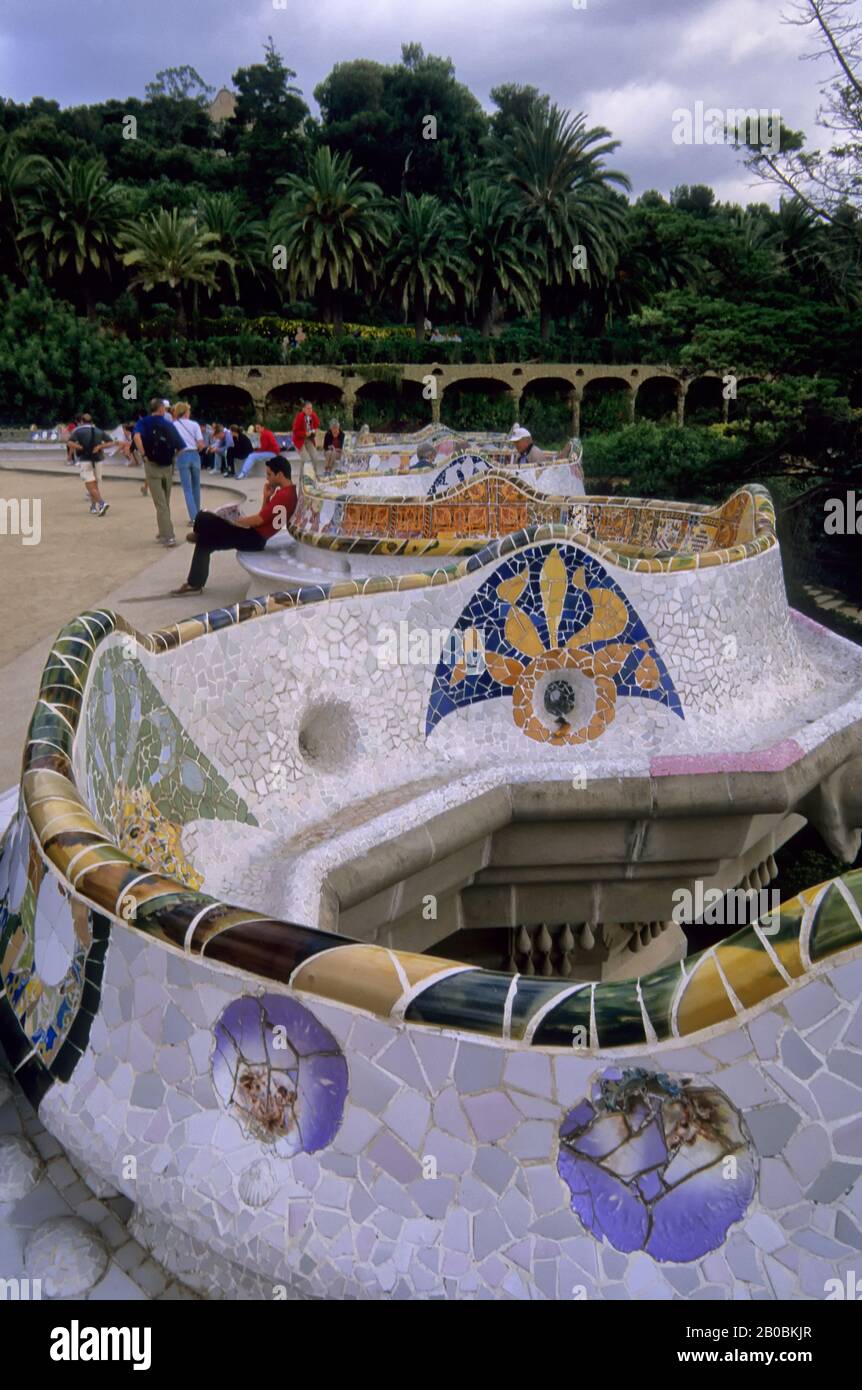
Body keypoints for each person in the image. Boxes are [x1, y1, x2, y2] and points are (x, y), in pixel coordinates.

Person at [171, 456, 298, 595]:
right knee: (204, 542)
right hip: (256, 537)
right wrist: (266, 497)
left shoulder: (283, 496)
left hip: (252, 537)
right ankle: (194, 584)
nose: (267, 479)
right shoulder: (289, 493)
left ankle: (198, 534)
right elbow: (266, 517)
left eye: (269, 474)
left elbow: (259, 520)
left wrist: (235, 522)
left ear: (279, 474)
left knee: (203, 516)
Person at [134, 396, 187, 546]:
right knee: (165, 501)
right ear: (162, 409)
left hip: (152, 466)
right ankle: (163, 531)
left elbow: (137, 437)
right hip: (167, 467)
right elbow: (182, 447)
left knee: (160, 503)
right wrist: (172, 459)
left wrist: (144, 455)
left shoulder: (143, 423)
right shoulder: (169, 424)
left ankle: (168, 535)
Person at [68, 414, 112, 516]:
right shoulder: (98, 430)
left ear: (82, 421)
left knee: (89, 485)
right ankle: (93, 506)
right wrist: (100, 446)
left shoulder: (78, 431)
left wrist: (79, 447)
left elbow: (70, 443)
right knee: (95, 484)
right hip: (98, 459)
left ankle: (102, 503)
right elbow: (110, 442)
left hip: (85, 460)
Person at [172, 401, 204, 522]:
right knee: (196, 485)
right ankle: (198, 515)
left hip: (182, 454)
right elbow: (201, 444)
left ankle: (194, 517)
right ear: (185, 412)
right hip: (195, 454)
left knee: (187, 488)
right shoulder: (194, 424)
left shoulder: (174, 425)